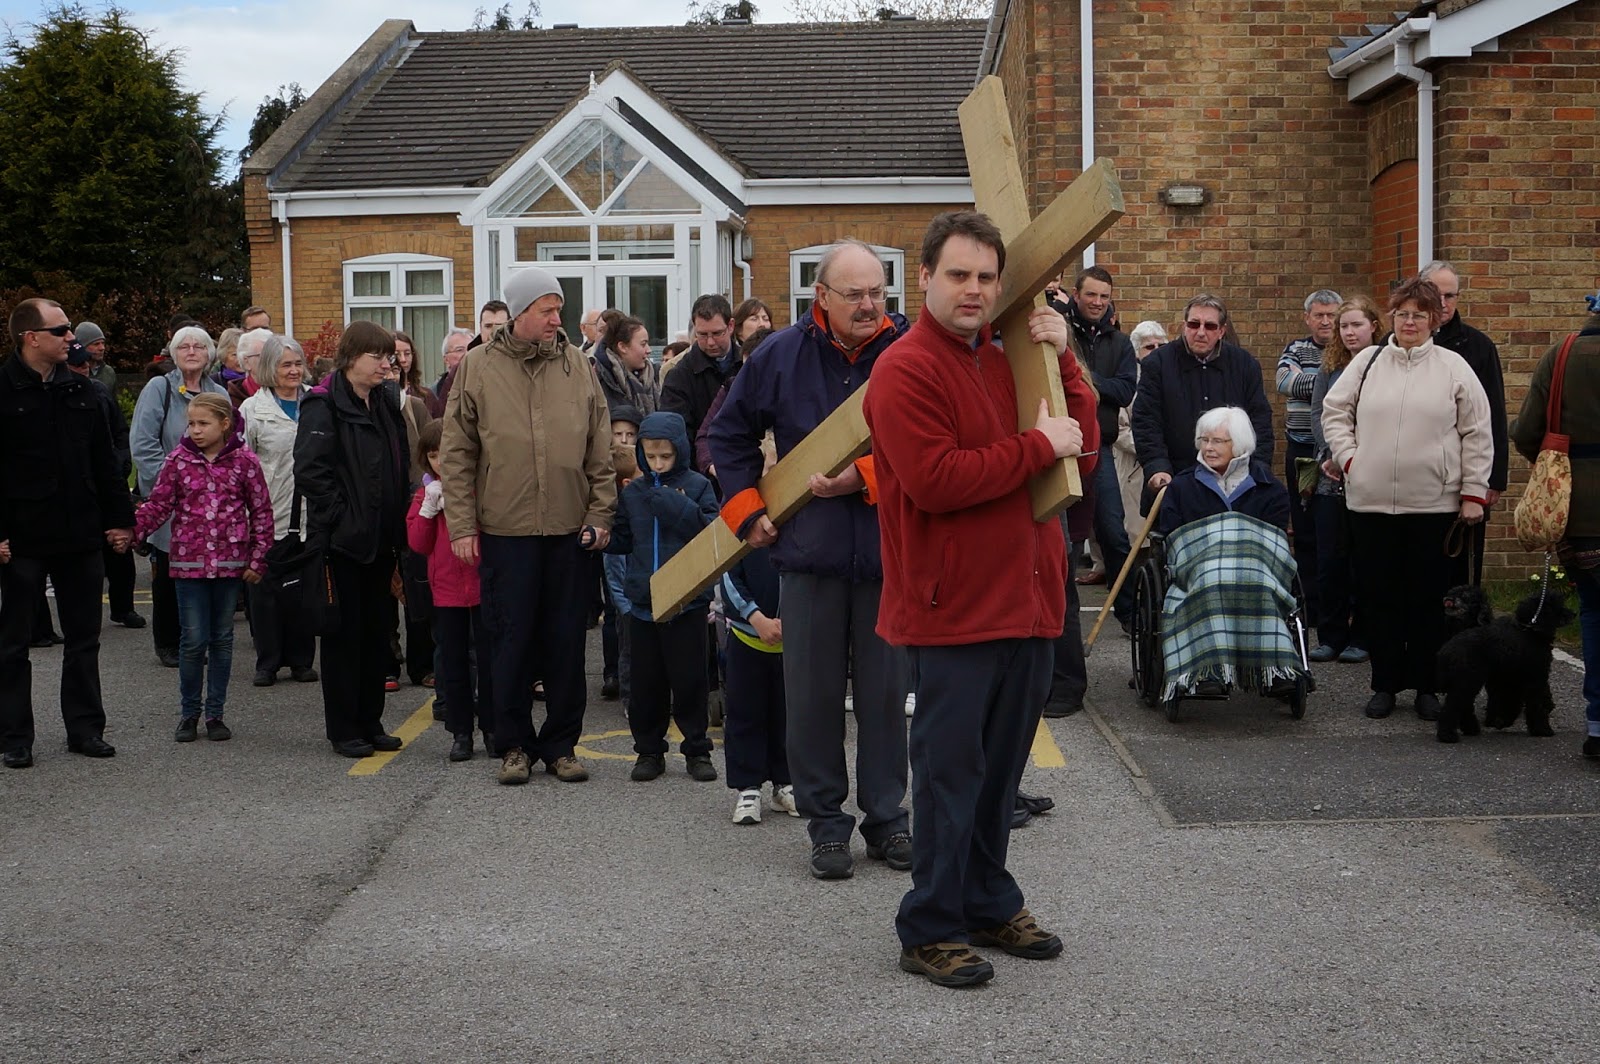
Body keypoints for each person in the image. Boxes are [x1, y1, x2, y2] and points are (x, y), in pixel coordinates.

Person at [863, 210, 1099, 988]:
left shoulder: (1009, 360)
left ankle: (988, 899)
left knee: (999, 775)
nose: (974, 290)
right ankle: (930, 926)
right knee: (947, 775)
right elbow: (937, 479)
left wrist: (1064, 366)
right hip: (953, 611)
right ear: (924, 278)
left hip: (1028, 604)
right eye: (959, 274)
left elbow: (1081, 451)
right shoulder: (904, 370)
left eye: (987, 277)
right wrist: (1037, 447)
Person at [709, 239, 913, 882]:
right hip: (807, 556)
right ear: (819, 297)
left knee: (885, 699)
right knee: (813, 700)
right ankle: (827, 826)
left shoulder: (907, 354)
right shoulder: (778, 354)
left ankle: (886, 819)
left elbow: (936, 440)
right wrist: (746, 512)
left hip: (887, 555)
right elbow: (725, 434)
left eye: (877, 292)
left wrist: (867, 476)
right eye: (853, 293)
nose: (868, 304)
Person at [441, 266, 616, 786]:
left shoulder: (578, 367)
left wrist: (600, 511)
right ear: (518, 314)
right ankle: (512, 744)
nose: (555, 318)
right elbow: (455, 452)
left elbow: (600, 445)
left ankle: (562, 745)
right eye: (545, 309)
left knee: (565, 640)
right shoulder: (476, 366)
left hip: (569, 528)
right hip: (504, 528)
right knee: (509, 640)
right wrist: (462, 525)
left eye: (557, 308)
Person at [1321, 276, 1492, 722]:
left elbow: (1477, 432)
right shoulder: (1367, 363)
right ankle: (1384, 685)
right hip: (1370, 505)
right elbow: (1335, 412)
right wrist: (1351, 459)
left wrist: (1473, 493)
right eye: (1402, 313)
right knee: (1378, 600)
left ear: (1435, 319)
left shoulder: (1454, 367)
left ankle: (1426, 687)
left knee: (1427, 602)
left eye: (1420, 314)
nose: (1410, 321)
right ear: (1391, 317)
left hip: (1433, 507)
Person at [0, 300, 135, 769]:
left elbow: (108, 464)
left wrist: (121, 521)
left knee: (84, 638)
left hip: (80, 533)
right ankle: (15, 736)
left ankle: (85, 729)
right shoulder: (2, 391)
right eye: (59, 331)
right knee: (13, 643)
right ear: (30, 337)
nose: (70, 339)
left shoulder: (86, 392)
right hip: (21, 539)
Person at [294, 320, 411, 759]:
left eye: (390, 356)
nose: (387, 364)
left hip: (382, 541)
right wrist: (343, 518)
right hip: (344, 544)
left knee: (378, 635)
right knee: (345, 639)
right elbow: (310, 471)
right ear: (350, 359)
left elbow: (397, 463)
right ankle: (344, 729)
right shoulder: (323, 404)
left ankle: (370, 721)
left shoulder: (383, 401)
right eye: (377, 356)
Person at [134, 394, 273, 743]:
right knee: (193, 640)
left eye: (203, 424)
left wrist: (258, 557)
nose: (195, 431)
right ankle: (189, 712)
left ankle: (215, 713)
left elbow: (261, 511)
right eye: (191, 424)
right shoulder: (178, 460)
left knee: (222, 639)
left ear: (225, 424)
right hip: (188, 563)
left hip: (229, 565)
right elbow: (159, 504)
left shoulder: (245, 462)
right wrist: (132, 532)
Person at [606, 411, 721, 782]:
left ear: (681, 452)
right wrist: (600, 537)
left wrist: (675, 504)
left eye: (666, 456)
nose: (657, 463)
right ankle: (649, 750)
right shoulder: (634, 492)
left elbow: (710, 534)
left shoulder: (699, 486)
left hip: (688, 601)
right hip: (644, 603)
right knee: (646, 684)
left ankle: (697, 749)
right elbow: (623, 539)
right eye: (651, 456)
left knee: (690, 681)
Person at [1513, 292, 1600, 759]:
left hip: (1580, 513)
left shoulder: (1561, 354)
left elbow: (1527, 431)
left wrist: (1562, 470)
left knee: (1593, 613)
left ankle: (1598, 727)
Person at [131, 325, 231, 668]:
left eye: (199, 346)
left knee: (203, 572)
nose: (191, 351)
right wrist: (174, 485)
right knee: (169, 567)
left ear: (209, 353)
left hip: (212, 501)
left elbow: (230, 443)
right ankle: (169, 642)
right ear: (174, 354)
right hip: (171, 500)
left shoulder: (218, 391)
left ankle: (198, 640)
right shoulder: (160, 388)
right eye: (184, 346)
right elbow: (143, 445)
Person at [1133, 294, 1275, 509]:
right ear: (1184, 326)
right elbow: (1146, 420)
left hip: (1234, 485)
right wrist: (1156, 466)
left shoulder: (1245, 365)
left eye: (1209, 326)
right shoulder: (1157, 364)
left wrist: (1259, 467)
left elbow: (1260, 420)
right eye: (1193, 324)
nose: (1200, 332)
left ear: (1221, 331)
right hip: (1176, 480)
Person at [408, 420, 494, 762]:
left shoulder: (481, 489)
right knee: (453, 662)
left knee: (488, 660)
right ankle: (460, 732)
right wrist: (428, 511)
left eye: (448, 453)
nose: (441, 462)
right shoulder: (425, 493)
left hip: (483, 584)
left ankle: (492, 727)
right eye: (434, 455)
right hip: (445, 589)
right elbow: (418, 543)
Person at [719, 432, 795, 824]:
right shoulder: (741, 516)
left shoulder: (802, 516)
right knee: (746, 714)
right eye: (768, 468)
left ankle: (786, 783)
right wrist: (755, 617)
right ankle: (748, 789)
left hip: (793, 643)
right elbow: (728, 576)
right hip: (749, 636)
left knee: (789, 716)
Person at [1054, 266, 1137, 622]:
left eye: (1104, 296)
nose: (1098, 302)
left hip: (1098, 448)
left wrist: (1083, 378)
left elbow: (1125, 389)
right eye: (1091, 295)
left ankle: (1131, 616)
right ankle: (1061, 616)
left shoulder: (1120, 343)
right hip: (1057, 447)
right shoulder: (1061, 330)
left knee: (1114, 534)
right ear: (1076, 295)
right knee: (1063, 538)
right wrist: (1097, 384)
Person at [1421, 260, 1509, 587]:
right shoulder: (1395, 343)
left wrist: (1493, 480)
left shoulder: (1478, 346)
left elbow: (1494, 416)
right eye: (1435, 294)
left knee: (1462, 571)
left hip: (1467, 473)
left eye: (1450, 295)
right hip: (1418, 477)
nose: (1443, 304)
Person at [240, 335, 319, 686]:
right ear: (270, 368)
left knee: (303, 590)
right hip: (268, 511)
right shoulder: (251, 411)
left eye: (297, 363)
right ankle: (268, 661)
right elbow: (243, 465)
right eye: (286, 364)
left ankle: (302, 660)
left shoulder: (317, 403)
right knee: (266, 591)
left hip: (310, 513)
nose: (293, 370)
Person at [1307, 296, 1381, 665]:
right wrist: (1333, 456)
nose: (1350, 332)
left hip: (1370, 477)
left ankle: (1363, 636)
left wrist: (1356, 457)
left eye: (1357, 324)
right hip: (1330, 478)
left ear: (1374, 326)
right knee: (1330, 561)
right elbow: (1319, 414)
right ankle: (1330, 635)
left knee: (1365, 561)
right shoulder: (1329, 366)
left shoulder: (1385, 364)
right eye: (1344, 326)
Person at [63, 340, 142, 630]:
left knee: (119, 551)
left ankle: (124, 608)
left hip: (108, 482)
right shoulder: (57, 397)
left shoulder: (99, 393)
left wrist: (121, 460)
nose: (83, 370)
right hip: (79, 488)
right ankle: (79, 612)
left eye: (86, 365)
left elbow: (120, 431)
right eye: (77, 365)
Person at [1276, 289, 1341, 624]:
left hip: (1338, 452)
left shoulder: (1350, 351)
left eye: (1332, 315)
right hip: (1302, 452)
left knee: (1335, 532)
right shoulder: (1296, 350)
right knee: (1304, 530)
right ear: (1308, 318)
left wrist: (1315, 380)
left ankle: (1339, 608)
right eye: (1319, 315)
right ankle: (1311, 608)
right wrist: (1331, 380)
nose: (1326, 321)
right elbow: (1285, 380)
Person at [1155, 407, 1291, 536]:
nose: (1208, 447)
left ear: (1239, 442)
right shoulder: (1181, 487)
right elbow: (1173, 542)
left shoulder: (1270, 490)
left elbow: (1274, 548)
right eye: (1204, 440)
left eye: (1217, 441)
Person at [661, 293, 736, 465]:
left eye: (717, 333)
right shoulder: (679, 375)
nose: (710, 342)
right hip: (700, 471)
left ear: (730, 326)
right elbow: (677, 433)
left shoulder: (749, 364)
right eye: (702, 334)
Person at [603, 408, 643, 706]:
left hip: (646, 601)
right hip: (628, 605)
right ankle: (630, 698)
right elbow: (614, 574)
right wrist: (626, 606)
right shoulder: (618, 521)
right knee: (628, 651)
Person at [1115, 320, 1167, 544]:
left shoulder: (1172, 378)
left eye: (1160, 346)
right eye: (1149, 347)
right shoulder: (1128, 381)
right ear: (1137, 352)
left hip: (1169, 467)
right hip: (1135, 468)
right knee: (1138, 536)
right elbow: (1119, 429)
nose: (1155, 352)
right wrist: (1152, 446)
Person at [593, 314, 661, 415]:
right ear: (622, 347)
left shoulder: (654, 376)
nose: (648, 350)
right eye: (643, 344)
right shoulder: (599, 377)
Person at [429, 327, 473, 413]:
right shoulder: (434, 393)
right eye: (460, 350)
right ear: (446, 359)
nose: (467, 354)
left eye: (471, 349)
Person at [75, 320, 119, 395]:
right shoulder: (72, 371)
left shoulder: (108, 372)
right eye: (96, 344)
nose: (102, 348)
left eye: (103, 343)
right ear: (82, 346)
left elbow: (113, 403)